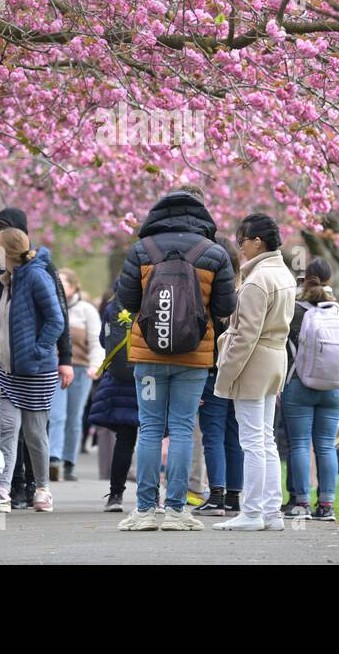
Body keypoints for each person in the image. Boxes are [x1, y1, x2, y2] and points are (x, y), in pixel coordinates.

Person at [115, 186, 237, 532]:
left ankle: (143, 510)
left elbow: (125, 301)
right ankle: (176, 511)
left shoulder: (142, 250)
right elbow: (226, 307)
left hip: (148, 354)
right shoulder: (213, 253)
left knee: (151, 428)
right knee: (183, 429)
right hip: (193, 356)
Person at [212, 213, 295, 531]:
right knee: (265, 440)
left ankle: (252, 512)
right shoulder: (283, 274)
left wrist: (226, 372)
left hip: (253, 363)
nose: (240, 247)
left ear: (257, 241)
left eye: (241, 240)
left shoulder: (258, 280)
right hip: (274, 360)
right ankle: (271, 512)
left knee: (252, 440)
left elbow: (245, 335)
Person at [0, 207, 74, 502]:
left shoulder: (37, 276)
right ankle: (3, 488)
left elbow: (57, 319)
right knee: (8, 429)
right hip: (8, 370)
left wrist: (43, 350)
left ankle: (42, 489)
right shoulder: (7, 281)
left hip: (35, 371)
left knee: (34, 434)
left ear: (9, 251)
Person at [281, 257, 339, 521]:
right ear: (330, 281)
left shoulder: (295, 310)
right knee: (326, 445)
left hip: (299, 384)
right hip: (333, 388)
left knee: (298, 444)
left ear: (305, 279)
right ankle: (327, 506)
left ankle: (300, 504)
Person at [198, 239, 244, 517]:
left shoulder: (212, 295)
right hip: (238, 370)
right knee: (234, 434)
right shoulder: (245, 292)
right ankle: (235, 495)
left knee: (212, 433)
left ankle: (216, 493)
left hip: (212, 370)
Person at [48, 269, 104, 481]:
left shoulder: (86, 310)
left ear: (73, 286)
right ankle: (53, 458)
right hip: (56, 369)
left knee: (74, 417)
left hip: (80, 370)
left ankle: (69, 462)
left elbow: (96, 341)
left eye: (63, 284)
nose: (60, 288)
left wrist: (95, 365)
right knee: (57, 415)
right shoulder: (50, 306)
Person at [88, 294, 139, 511]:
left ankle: (115, 495)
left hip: (119, 377)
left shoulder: (114, 305)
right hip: (148, 376)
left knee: (124, 439)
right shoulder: (155, 297)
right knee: (151, 437)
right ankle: (152, 495)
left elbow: (103, 340)